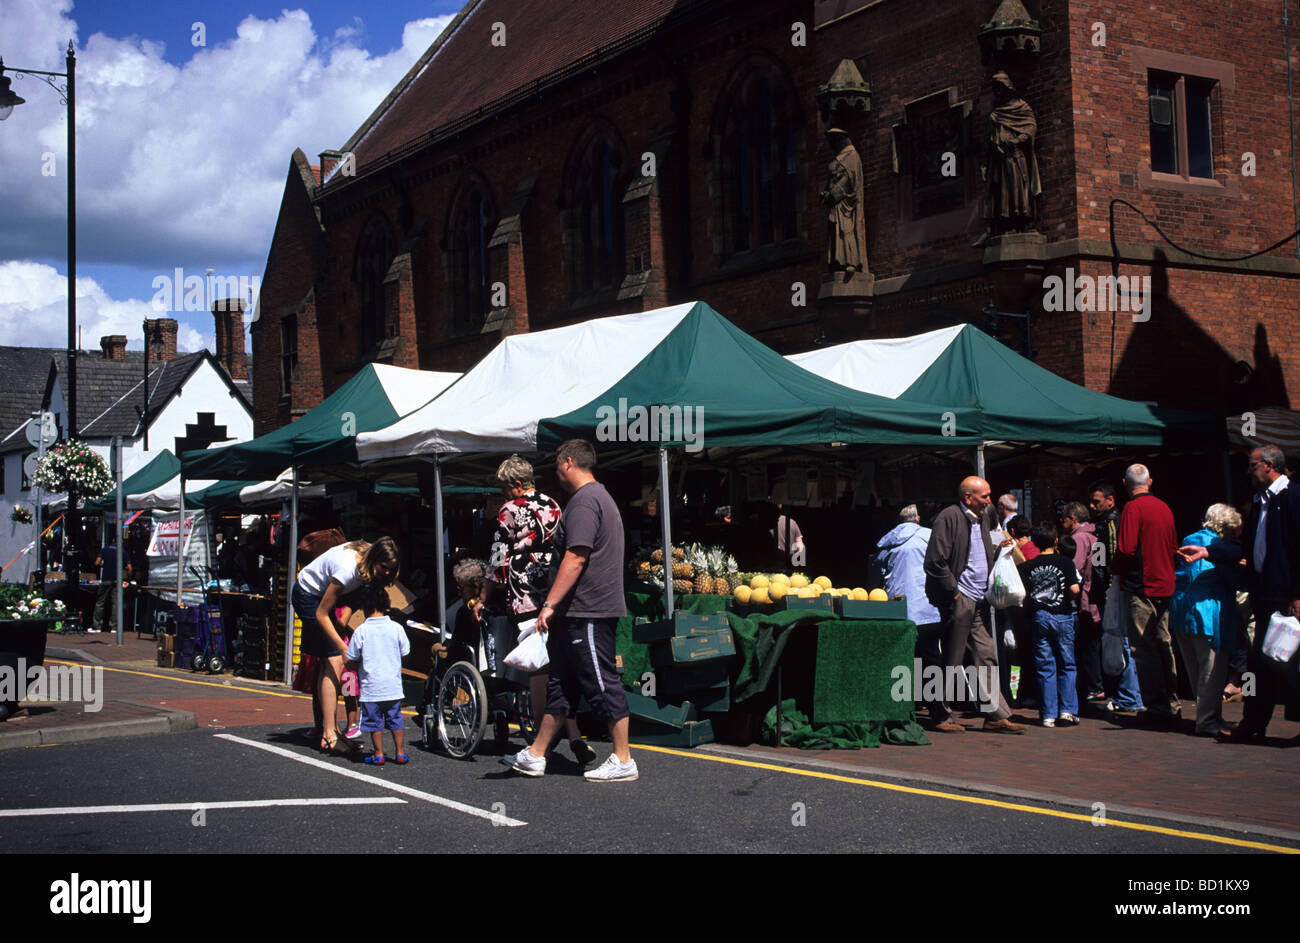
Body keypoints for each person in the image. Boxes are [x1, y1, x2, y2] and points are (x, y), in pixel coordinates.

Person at [504, 440, 635, 781]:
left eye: (557, 463)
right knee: (561, 684)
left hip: (588, 610)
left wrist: (548, 605)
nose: (555, 470)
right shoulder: (594, 498)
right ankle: (536, 754)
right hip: (577, 611)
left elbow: (576, 557)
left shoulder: (585, 501)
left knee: (601, 681)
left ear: (568, 462)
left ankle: (623, 759)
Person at [1181, 445, 1300, 741]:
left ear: (1269, 465)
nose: (1248, 471)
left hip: (1286, 597)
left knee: (1289, 663)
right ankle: (1253, 723)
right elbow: (1244, 546)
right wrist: (1208, 551)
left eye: (1252, 465)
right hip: (1264, 595)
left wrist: (1297, 595)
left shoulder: (1294, 497)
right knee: (1260, 662)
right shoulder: (1261, 502)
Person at [484, 455, 595, 767]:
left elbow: (497, 560)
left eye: (505, 487)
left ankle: (539, 745)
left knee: (537, 667)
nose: (503, 494)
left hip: (525, 594)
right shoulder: (554, 504)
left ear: (517, 485)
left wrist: (484, 596)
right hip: (554, 588)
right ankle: (573, 735)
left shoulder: (510, 510)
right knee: (557, 665)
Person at [922, 475, 1024, 733]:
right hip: (959, 598)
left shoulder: (986, 515)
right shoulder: (949, 517)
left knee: (985, 654)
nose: (990, 500)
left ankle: (995, 715)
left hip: (978, 598)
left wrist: (999, 548)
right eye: (984, 496)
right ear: (968, 497)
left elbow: (985, 544)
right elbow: (935, 561)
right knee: (953, 660)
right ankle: (940, 714)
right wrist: (954, 592)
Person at [293, 536, 399, 754]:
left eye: (392, 568)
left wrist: (343, 625)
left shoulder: (367, 561)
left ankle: (329, 730)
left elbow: (344, 612)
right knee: (333, 660)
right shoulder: (348, 571)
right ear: (374, 560)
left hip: (322, 595)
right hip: (308, 594)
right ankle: (329, 735)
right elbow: (321, 613)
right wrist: (343, 648)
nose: (388, 573)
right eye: (384, 568)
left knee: (328, 662)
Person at [1113, 464, 1179, 725]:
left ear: (1125, 483)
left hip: (1142, 585)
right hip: (1165, 583)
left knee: (1143, 648)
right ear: (1150, 481)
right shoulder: (1164, 507)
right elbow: (1173, 545)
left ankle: (1157, 708)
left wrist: (1115, 569)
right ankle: (1171, 703)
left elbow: (1126, 548)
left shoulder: (1133, 508)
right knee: (1164, 645)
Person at [1171, 504, 1243, 737]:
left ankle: (1210, 716)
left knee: (1195, 670)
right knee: (1211, 672)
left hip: (1182, 610)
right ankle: (1207, 721)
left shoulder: (1190, 538)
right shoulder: (1218, 548)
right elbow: (1231, 580)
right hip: (1208, 614)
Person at [873, 505, 942, 720]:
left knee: (903, 659)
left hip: (898, 608)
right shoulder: (928, 536)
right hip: (926, 606)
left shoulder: (886, 542)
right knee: (931, 658)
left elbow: (879, 573)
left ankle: (904, 708)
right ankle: (937, 711)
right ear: (918, 519)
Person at [1018, 522, 1081, 727]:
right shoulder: (1065, 562)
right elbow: (1074, 590)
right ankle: (1067, 711)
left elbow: (1023, 594)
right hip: (1062, 615)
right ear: (1056, 541)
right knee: (1067, 664)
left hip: (1040, 616)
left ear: (1035, 542)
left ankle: (1047, 714)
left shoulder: (1028, 566)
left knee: (1045, 666)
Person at [345, 581, 410, 766]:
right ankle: (399, 752)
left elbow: (352, 656)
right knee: (395, 719)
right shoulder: (397, 628)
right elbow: (405, 652)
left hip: (371, 688)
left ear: (364, 607)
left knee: (374, 723)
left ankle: (379, 753)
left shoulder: (361, 631)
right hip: (393, 686)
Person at [1061, 502, 1101, 702]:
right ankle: (1098, 684)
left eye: (1064, 518)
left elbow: (1073, 569)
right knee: (1094, 642)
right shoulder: (1096, 536)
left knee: (1086, 644)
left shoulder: (1077, 539)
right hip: (1097, 596)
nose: (1062, 522)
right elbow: (1099, 565)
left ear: (1073, 518)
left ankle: (1093, 685)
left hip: (1084, 599)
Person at [90, 532, 126, 634]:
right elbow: (129, 567)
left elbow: (97, 562)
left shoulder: (105, 549)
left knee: (100, 602)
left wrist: (103, 566)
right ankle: (114, 627)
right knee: (116, 604)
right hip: (117, 580)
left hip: (106, 579)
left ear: (113, 540)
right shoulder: (123, 552)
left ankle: (97, 626)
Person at [771, 503, 806, 570]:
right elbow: (800, 547)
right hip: (790, 565)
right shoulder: (792, 522)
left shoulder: (767, 522)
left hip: (773, 565)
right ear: (780, 506)